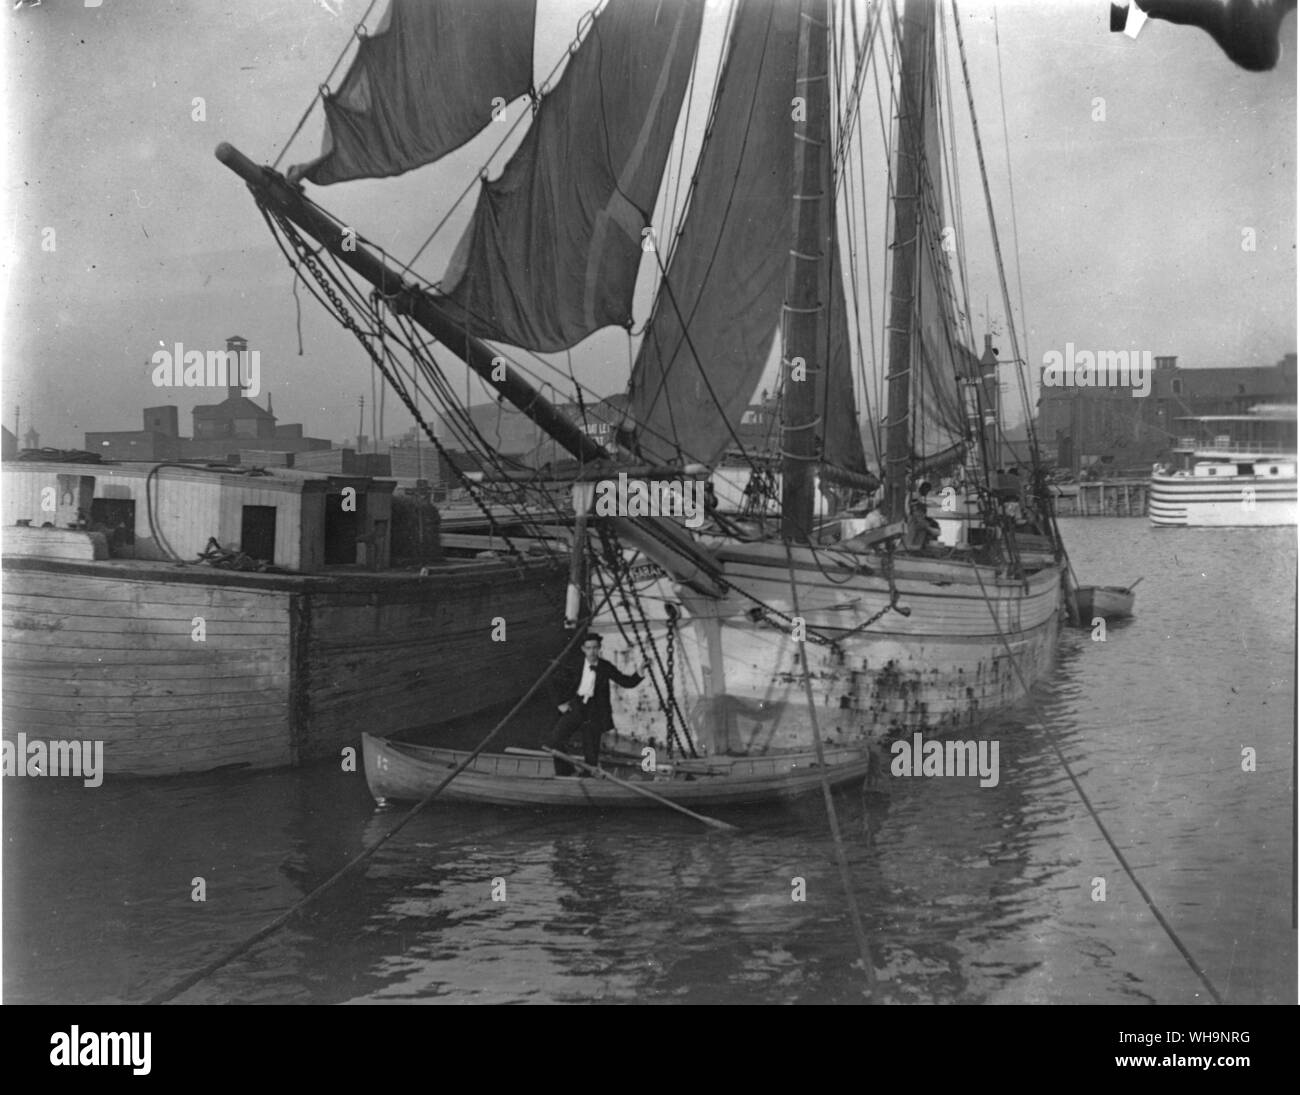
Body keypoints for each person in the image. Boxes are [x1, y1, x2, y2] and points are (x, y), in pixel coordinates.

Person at [549, 633, 646, 775]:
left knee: (591, 754)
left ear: (599, 648)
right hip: (576, 706)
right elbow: (553, 681)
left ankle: (588, 779)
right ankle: (565, 773)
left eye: (595, 648)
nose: (592, 651)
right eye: (589, 648)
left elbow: (626, 682)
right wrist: (560, 703)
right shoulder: (575, 664)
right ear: (583, 649)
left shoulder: (605, 666)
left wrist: (640, 672)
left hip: (594, 711)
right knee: (555, 740)